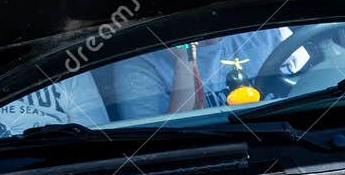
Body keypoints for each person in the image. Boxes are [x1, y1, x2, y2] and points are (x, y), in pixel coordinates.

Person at [100, 29, 290, 122]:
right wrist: (184, 58)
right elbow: (160, 143)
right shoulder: (139, 63)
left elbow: (303, 85)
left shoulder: (268, 31)